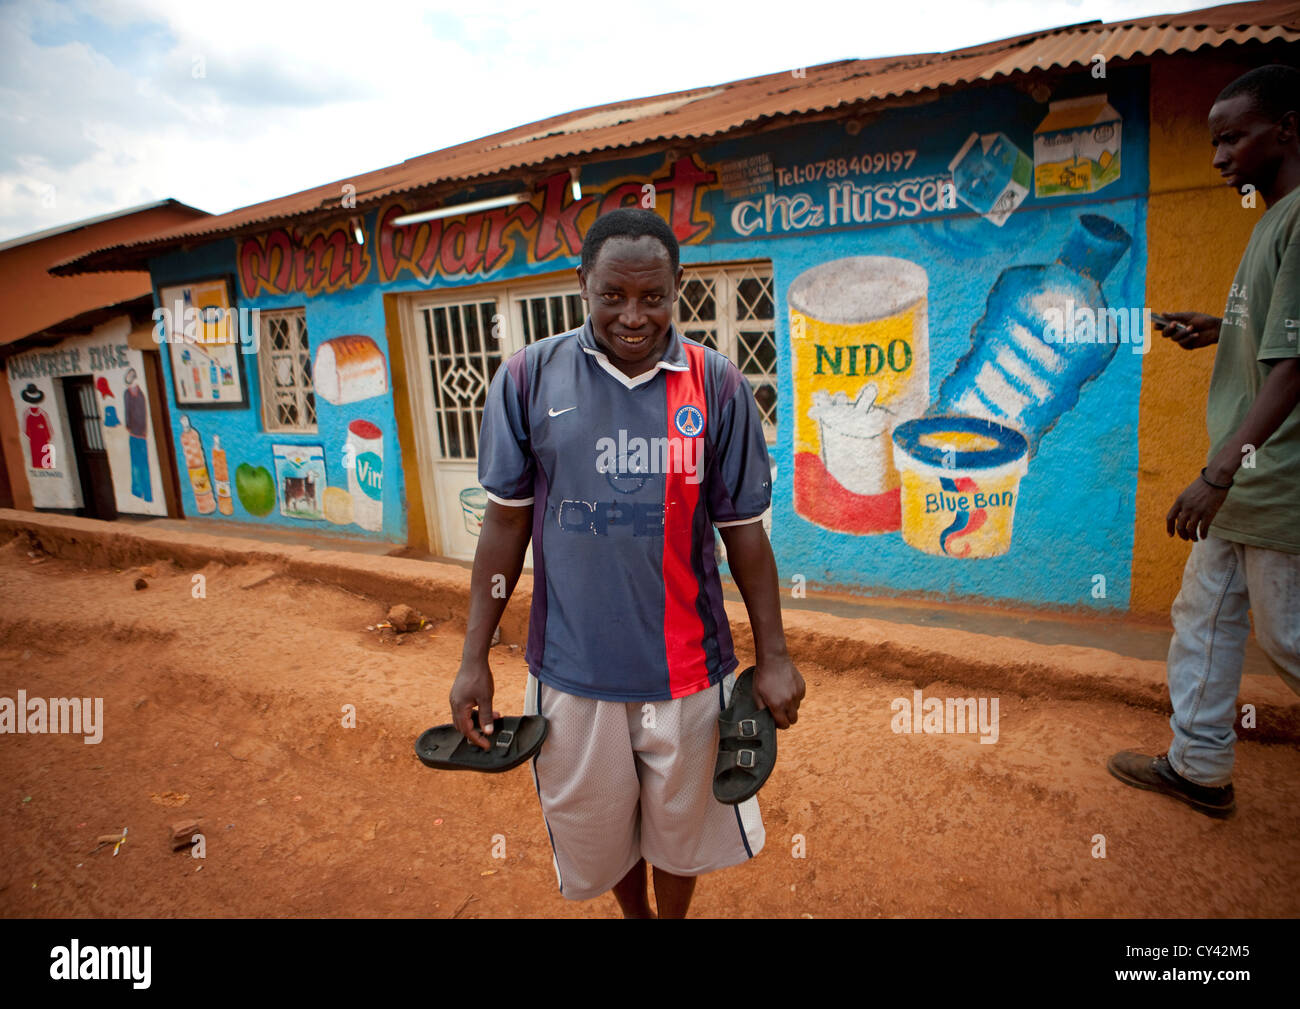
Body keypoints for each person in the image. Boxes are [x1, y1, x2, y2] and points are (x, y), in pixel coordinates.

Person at [450, 207, 805, 916]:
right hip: (572, 674)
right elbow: (502, 531)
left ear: (680, 286)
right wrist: (473, 656)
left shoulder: (717, 386)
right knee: (603, 831)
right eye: (612, 295)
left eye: (653, 296)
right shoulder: (527, 379)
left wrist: (773, 653)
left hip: (689, 670)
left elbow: (745, 536)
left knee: (681, 833)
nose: (633, 316)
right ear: (583, 285)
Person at [1109, 65, 1300, 818]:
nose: (1218, 157)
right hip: (1248, 478)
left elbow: (1294, 367)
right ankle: (1198, 764)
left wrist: (1219, 472)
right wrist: (1222, 331)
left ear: (1285, 129)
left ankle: (1197, 760)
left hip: (1270, 475)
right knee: (1207, 615)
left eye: (1232, 139)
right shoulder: (1276, 219)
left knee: (1288, 636)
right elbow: (1277, 336)